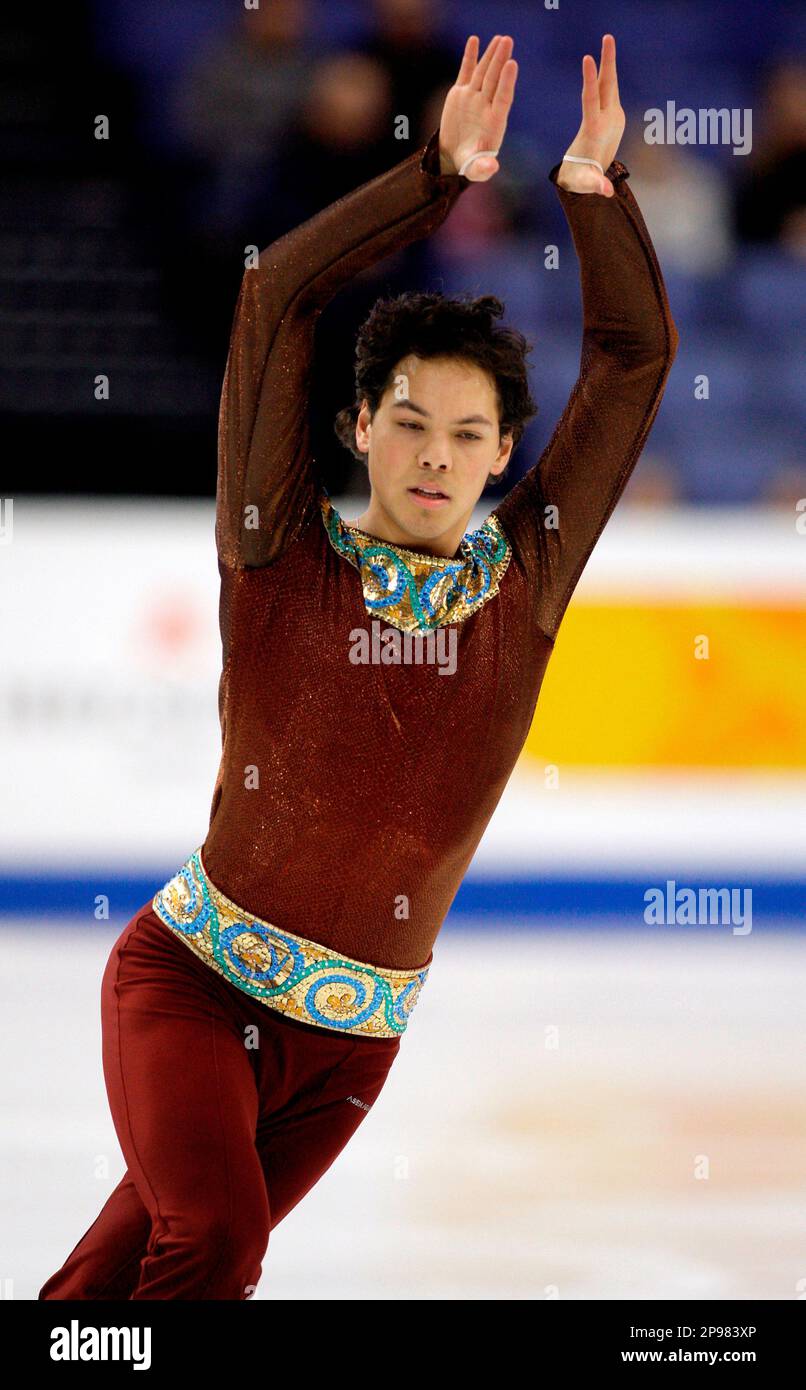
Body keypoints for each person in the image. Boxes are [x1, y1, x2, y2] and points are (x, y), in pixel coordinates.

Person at [39, 33, 678, 1300]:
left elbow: (629, 361)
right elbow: (276, 294)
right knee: (215, 1246)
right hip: (191, 986)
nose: (434, 457)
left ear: (502, 458)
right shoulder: (276, 549)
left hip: (351, 1043)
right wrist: (431, 178)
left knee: (114, 1286)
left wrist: (594, 199)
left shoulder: (525, 579)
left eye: (467, 435)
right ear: (357, 427)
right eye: (407, 423)